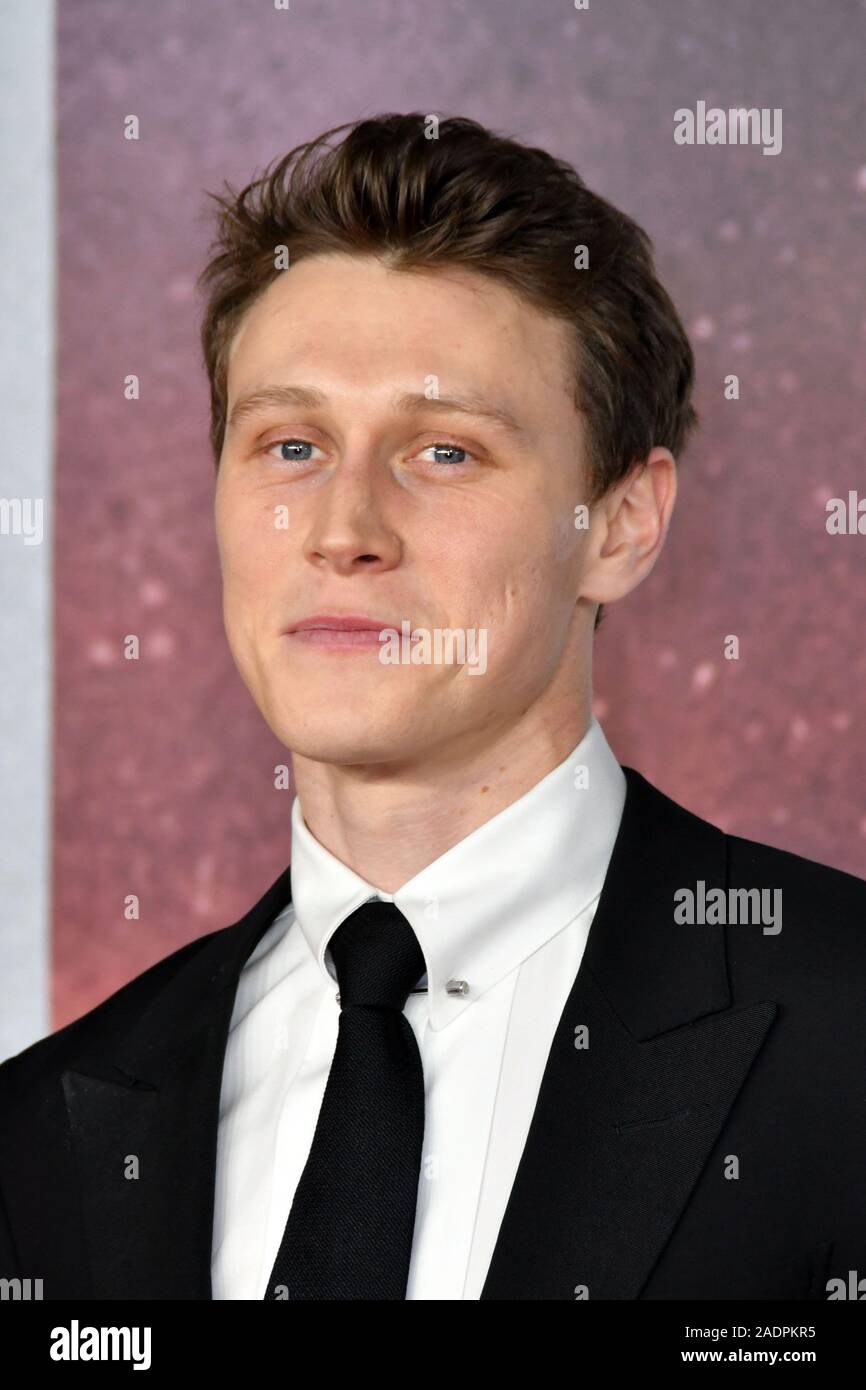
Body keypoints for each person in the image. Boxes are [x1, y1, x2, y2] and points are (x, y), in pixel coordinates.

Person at [1, 112, 865, 1302]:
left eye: (444, 452)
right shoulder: (40, 1128)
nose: (344, 530)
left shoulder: (842, 1033)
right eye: (291, 444)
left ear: (619, 523)